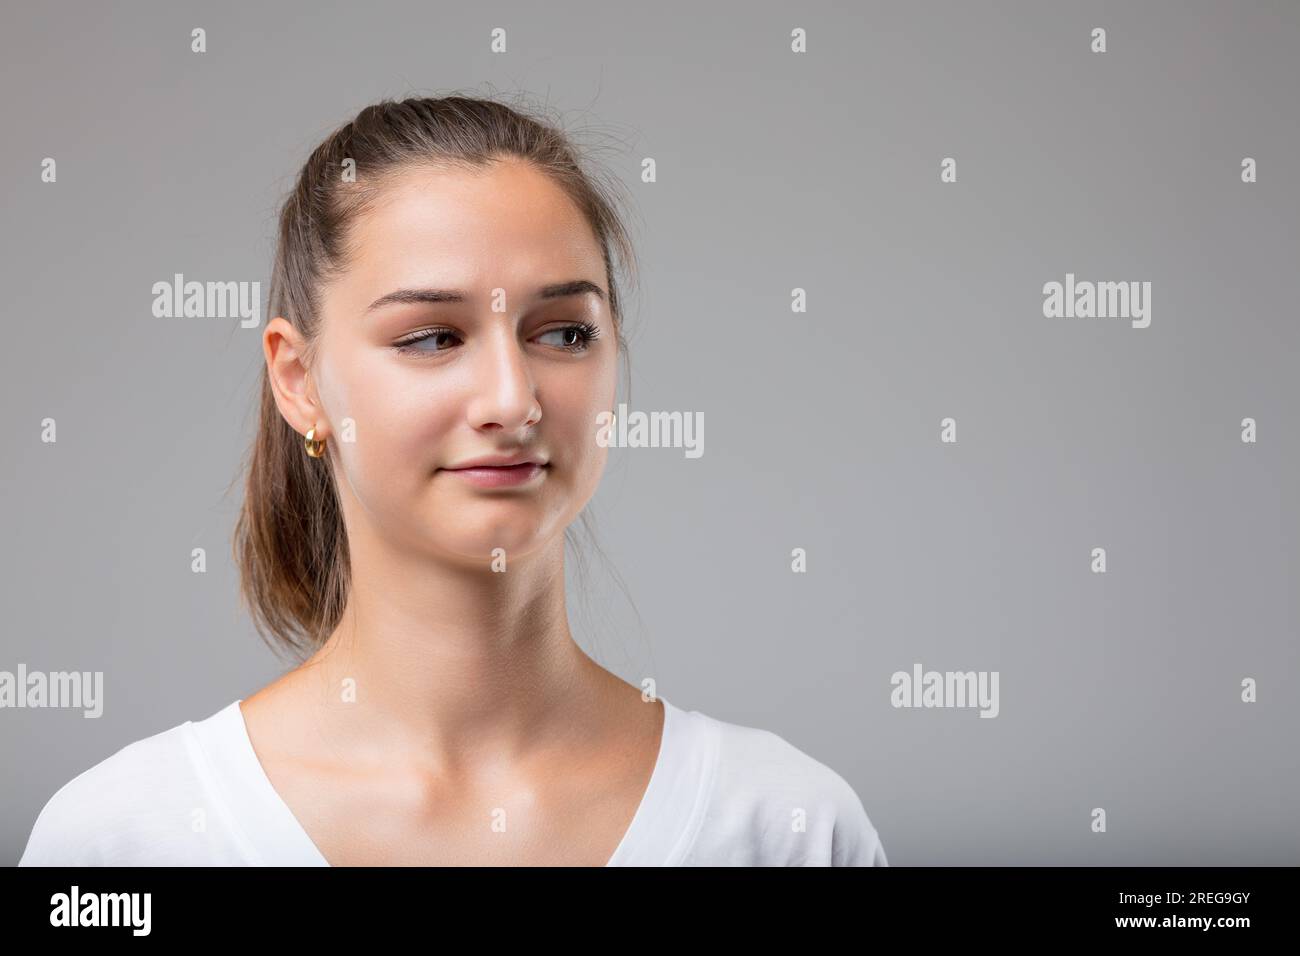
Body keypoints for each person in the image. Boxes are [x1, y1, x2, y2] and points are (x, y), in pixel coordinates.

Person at [19, 94, 886, 867]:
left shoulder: (790, 830)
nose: (512, 401)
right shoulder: (123, 840)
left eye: (565, 333)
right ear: (300, 381)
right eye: (431, 338)